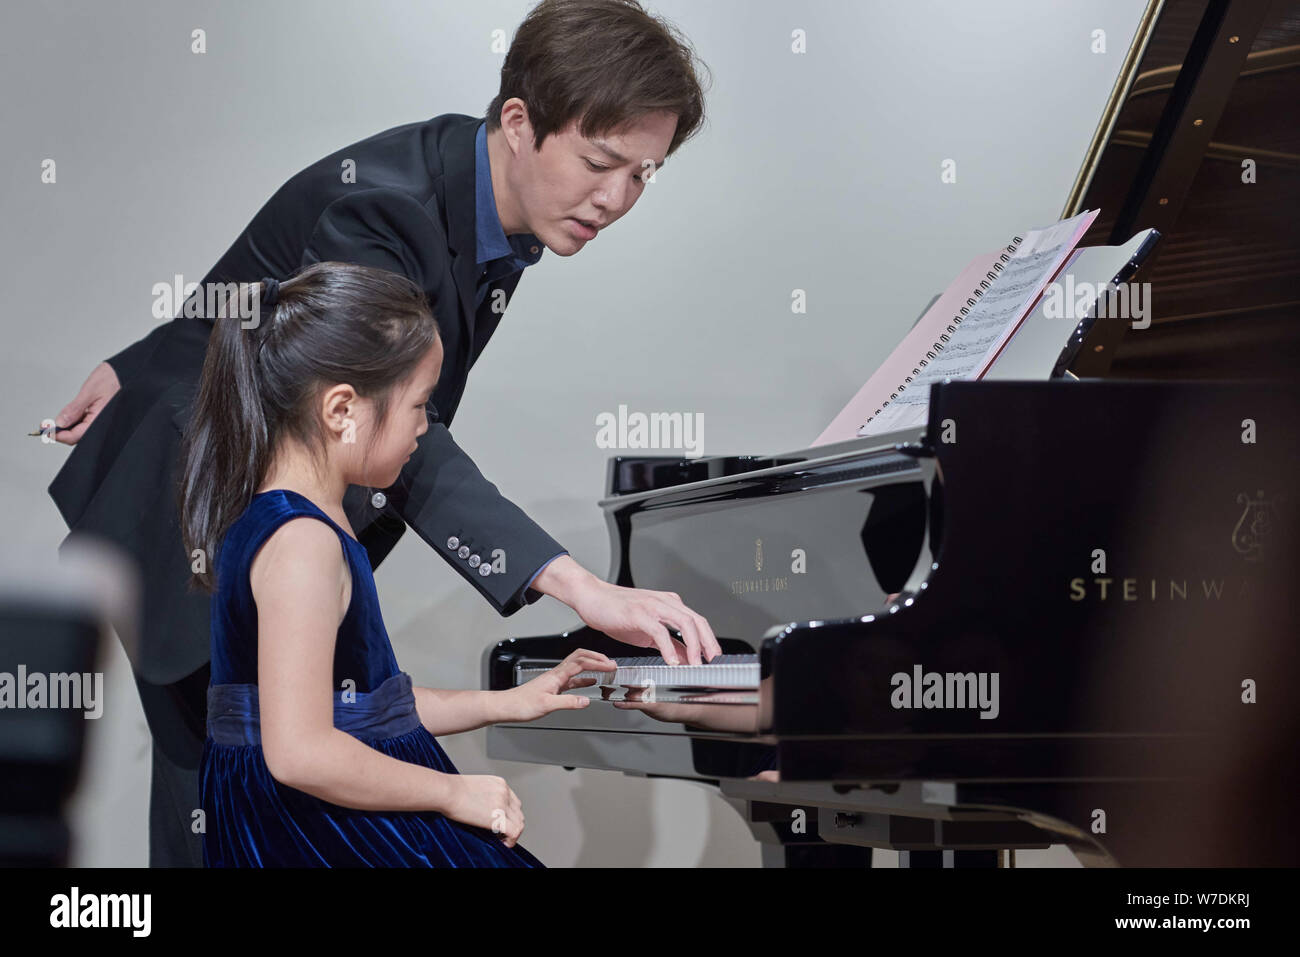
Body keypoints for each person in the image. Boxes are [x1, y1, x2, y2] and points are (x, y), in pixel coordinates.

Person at [44, 0, 717, 865]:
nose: (616, 199)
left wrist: (147, 352)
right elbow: (406, 423)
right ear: (519, 122)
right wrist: (583, 588)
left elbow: (262, 284)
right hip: (190, 516)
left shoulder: (480, 195)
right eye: (600, 163)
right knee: (220, 809)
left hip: (247, 509)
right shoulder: (391, 205)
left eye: (642, 176)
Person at [187, 264, 617, 866]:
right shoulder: (303, 543)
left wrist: (510, 702)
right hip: (318, 829)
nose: (424, 427)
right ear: (341, 409)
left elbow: (362, 708)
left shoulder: (290, 521)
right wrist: (452, 792)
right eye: (419, 405)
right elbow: (302, 753)